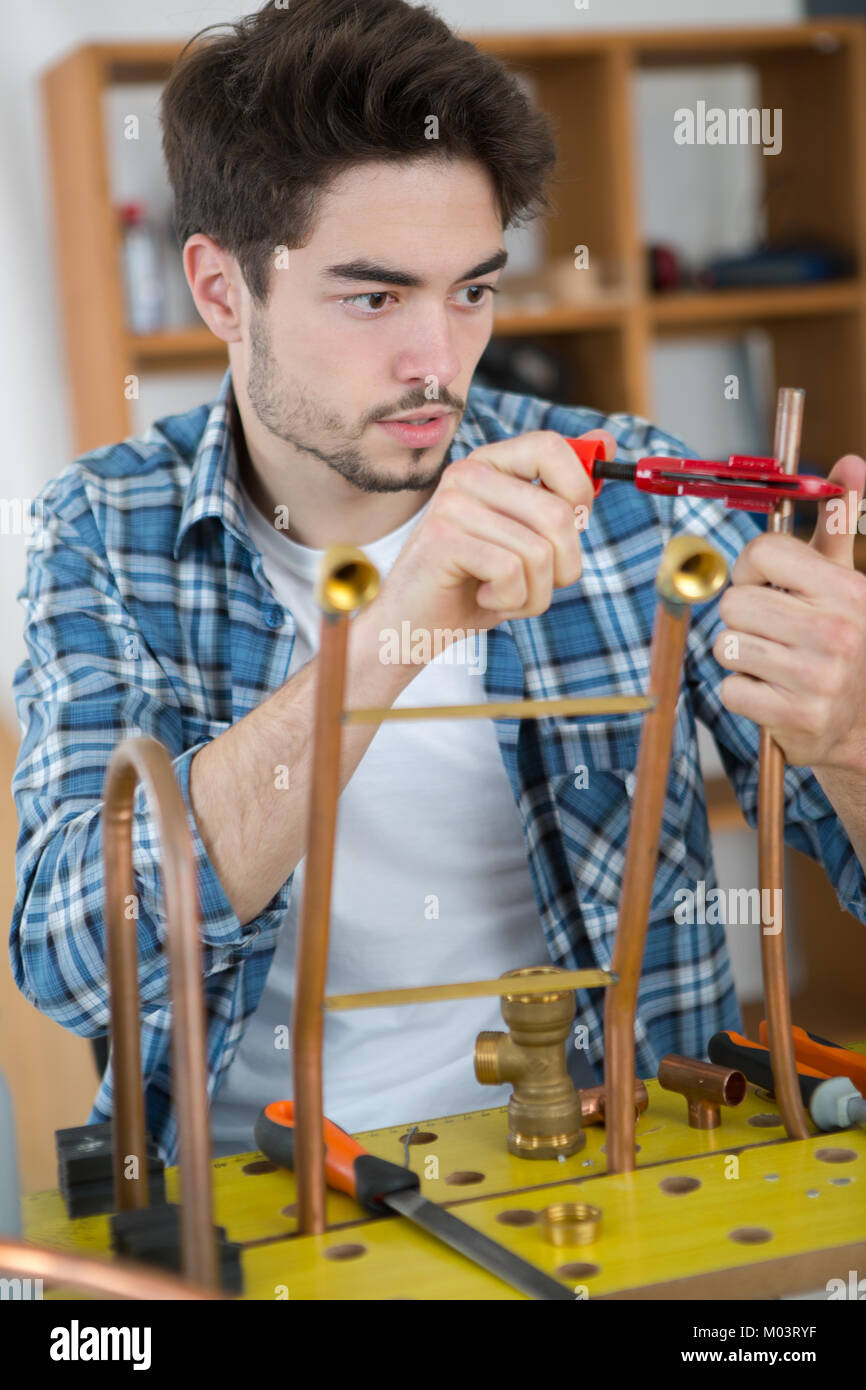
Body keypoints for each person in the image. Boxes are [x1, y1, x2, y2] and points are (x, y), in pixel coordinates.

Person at [10, 0, 866, 1166]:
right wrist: (391, 626)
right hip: (265, 1204)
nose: (436, 362)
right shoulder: (102, 530)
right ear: (219, 291)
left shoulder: (628, 494)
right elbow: (74, 959)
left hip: (627, 1178)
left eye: (470, 290)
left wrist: (852, 731)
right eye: (372, 298)